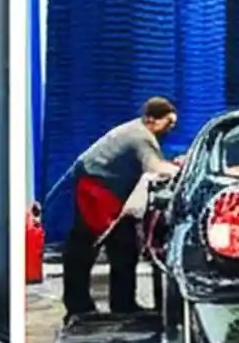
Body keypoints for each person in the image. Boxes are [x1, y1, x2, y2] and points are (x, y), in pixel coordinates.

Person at [62, 97, 182, 320]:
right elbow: (155, 167)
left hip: (110, 192)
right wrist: (182, 169)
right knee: (84, 248)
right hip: (96, 189)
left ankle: (123, 304)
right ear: (151, 119)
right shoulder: (141, 137)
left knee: (124, 248)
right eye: (168, 124)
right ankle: (79, 307)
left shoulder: (139, 132)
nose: (170, 130)